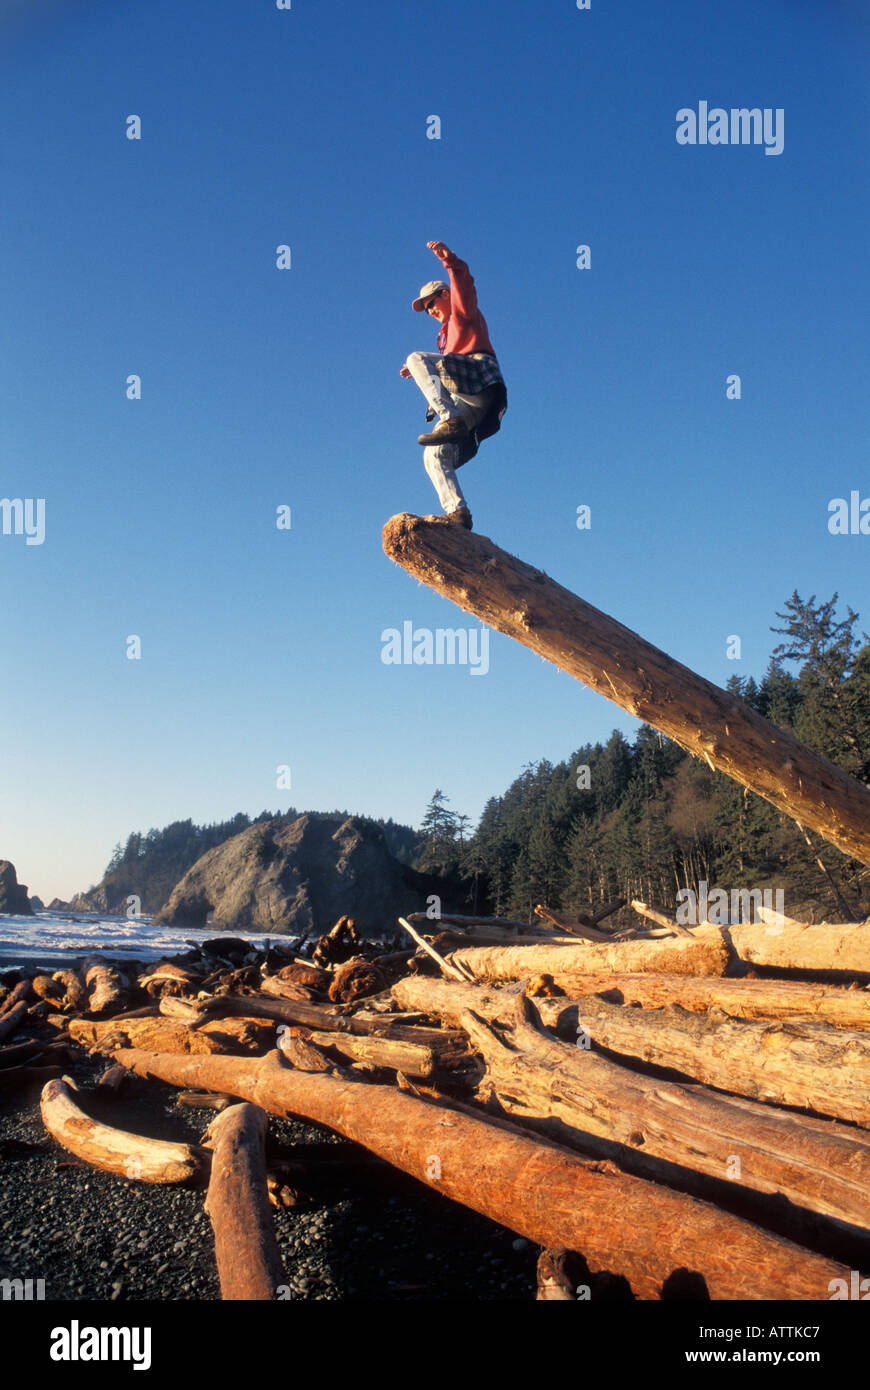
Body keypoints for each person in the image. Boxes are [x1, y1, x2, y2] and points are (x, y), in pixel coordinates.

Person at [400, 240, 507, 530]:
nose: (430, 311)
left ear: (445, 295)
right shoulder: (443, 338)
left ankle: (451, 419)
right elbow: (437, 365)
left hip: (478, 375)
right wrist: (418, 369)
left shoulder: (463, 313)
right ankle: (459, 514)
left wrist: (451, 262)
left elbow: (464, 283)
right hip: (469, 401)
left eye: (432, 303)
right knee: (433, 454)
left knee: (415, 357)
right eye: (426, 310)